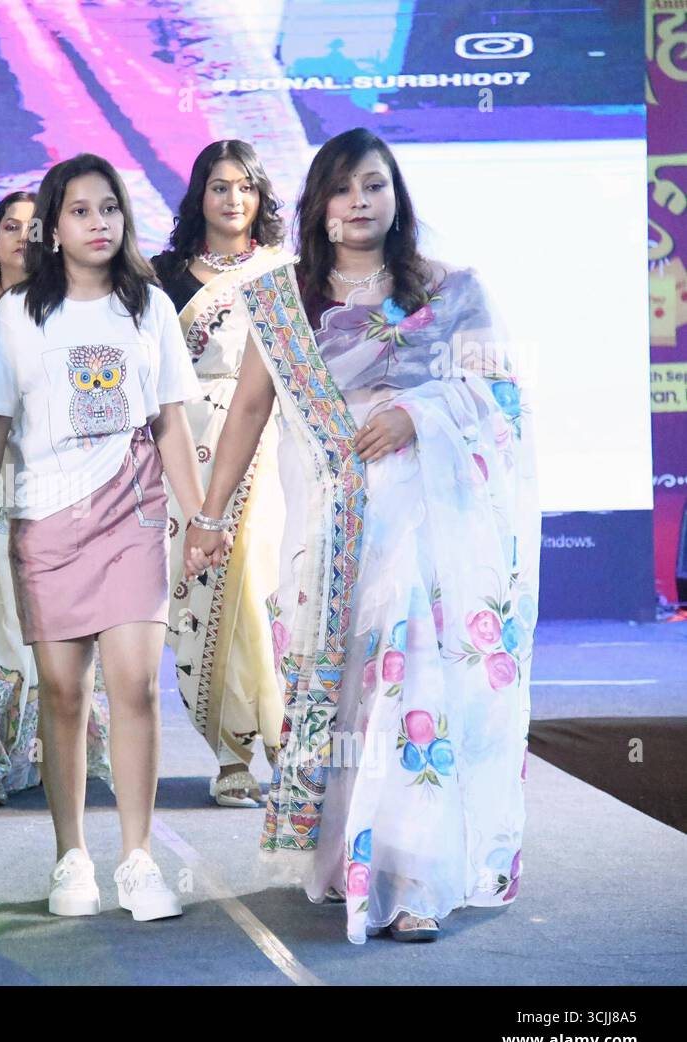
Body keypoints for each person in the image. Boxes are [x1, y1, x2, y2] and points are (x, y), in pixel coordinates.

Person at [186, 128, 539, 943]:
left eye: (374, 186)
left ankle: (416, 877)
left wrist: (418, 414)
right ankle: (359, 858)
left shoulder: (450, 290)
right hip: (328, 525)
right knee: (349, 687)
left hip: (426, 520)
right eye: (343, 189)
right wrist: (207, 517)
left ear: (395, 196)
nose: (359, 203)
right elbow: (248, 410)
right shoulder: (283, 302)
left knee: (412, 677)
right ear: (319, 204)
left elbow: (501, 395)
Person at [0, 153, 206, 922]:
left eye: (110, 208)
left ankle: (137, 859)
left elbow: (170, 417)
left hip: (133, 511)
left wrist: (200, 516)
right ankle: (71, 856)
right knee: (65, 693)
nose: (98, 222)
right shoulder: (18, 314)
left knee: (134, 685)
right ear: (53, 225)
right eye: (81, 210)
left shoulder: (149, 307)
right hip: (44, 520)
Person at [0, 192, 112, 805]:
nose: (23, 236)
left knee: (48, 620)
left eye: (36, 226)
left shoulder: (71, 310)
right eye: (9, 226)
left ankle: (57, 747)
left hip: (55, 485)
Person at [150, 139, 289, 808]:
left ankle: (284, 744)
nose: (233, 199)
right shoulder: (161, 276)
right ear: (198, 196)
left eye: (245, 187)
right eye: (219, 186)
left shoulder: (285, 273)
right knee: (199, 599)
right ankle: (231, 755)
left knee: (261, 593)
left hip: (266, 452)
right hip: (182, 452)